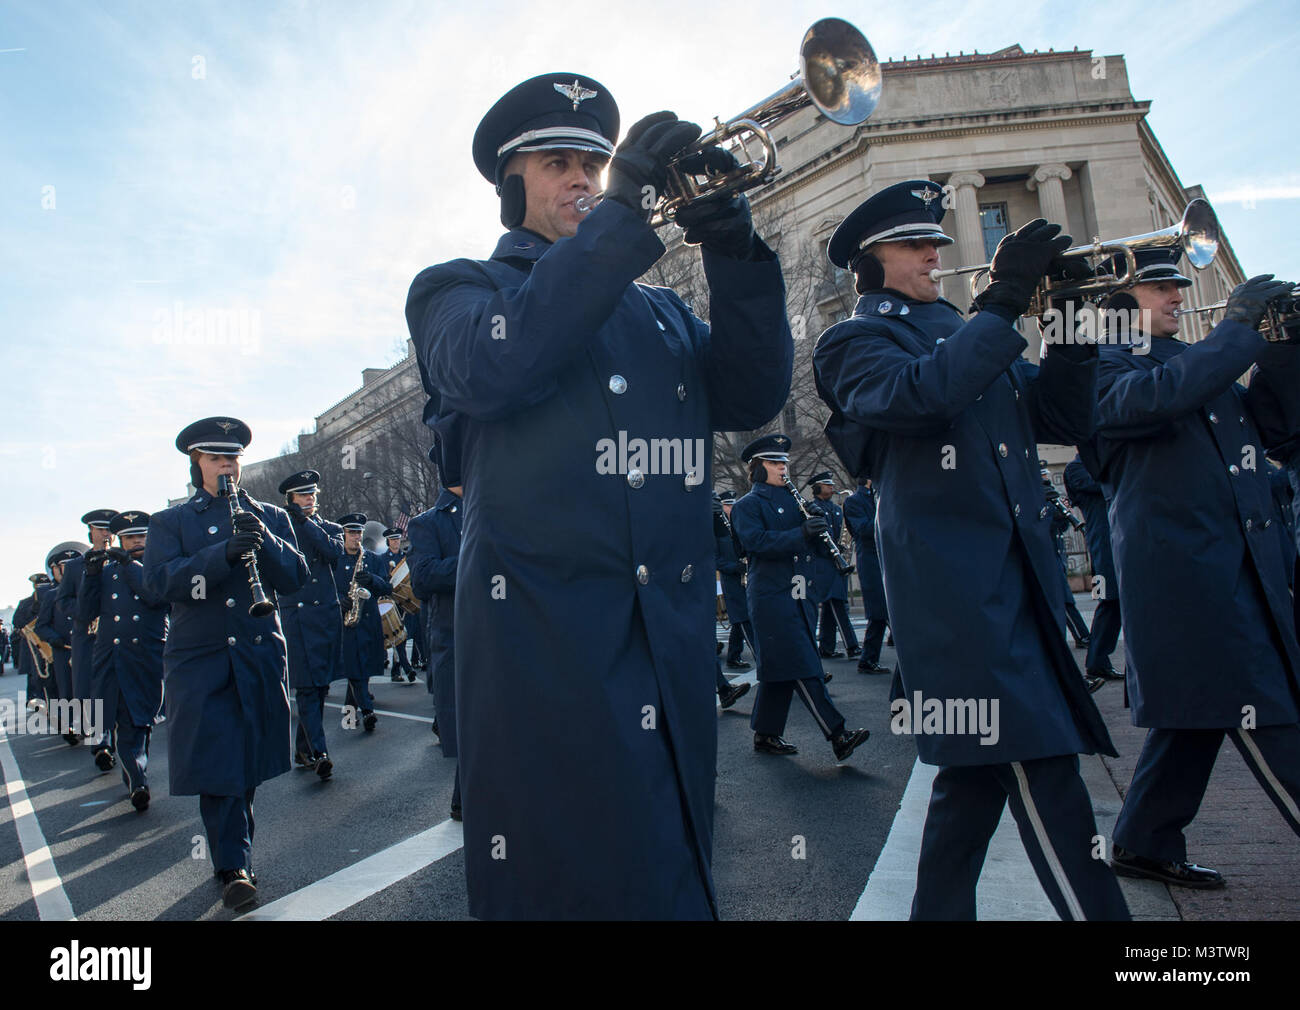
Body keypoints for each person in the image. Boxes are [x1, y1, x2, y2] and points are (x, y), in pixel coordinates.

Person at [404, 72, 792, 919]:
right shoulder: (459, 289)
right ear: (514, 185)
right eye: (558, 163)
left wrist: (733, 247)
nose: (583, 176)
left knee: (673, 867)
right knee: (566, 880)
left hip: (669, 637)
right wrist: (621, 217)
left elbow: (751, 394)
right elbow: (502, 363)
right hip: (546, 647)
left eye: (594, 161)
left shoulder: (655, 310)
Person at [813, 180, 1129, 920]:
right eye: (914, 244)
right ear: (869, 265)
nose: (933, 253)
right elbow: (923, 398)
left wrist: (1076, 317)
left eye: (936, 243)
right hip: (960, 609)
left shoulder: (965, 329)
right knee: (1047, 780)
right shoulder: (855, 340)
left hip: (1015, 594)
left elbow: (1061, 415)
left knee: (972, 788)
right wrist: (1005, 297)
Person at [1087, 249, 1300, 887]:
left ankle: (1143, 841)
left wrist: (1284, 346)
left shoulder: (1190, 362)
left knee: (1195, 713)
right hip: (1187, 577)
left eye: (1179, 286)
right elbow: (1154, 401)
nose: (1179, 296)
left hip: (1234, 567)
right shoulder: (1101, 364)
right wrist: (1236, 330)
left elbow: (1273, 430)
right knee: (1267, 708)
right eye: (1161, 287)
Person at [142, 416, 309, 910]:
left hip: (256, 654)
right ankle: (235, 863)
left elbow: (295, 577)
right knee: (219, 762)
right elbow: (158, 584)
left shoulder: (267, 515)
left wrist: (265, 538)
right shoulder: (170, 522)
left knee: (245, 762)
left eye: (233, 458)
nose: (227, 466)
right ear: (196, 464)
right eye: (216, 458)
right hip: (202, 660)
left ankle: (232, 854)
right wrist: (220, 555)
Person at [730, 435, 870, 762]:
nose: (783, 468)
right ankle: (838, 734)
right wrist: (801, 533)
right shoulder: (748, 506)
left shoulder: (795, 502)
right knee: (803, 662)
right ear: (757, 468)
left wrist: (823, 541)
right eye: (775, 463)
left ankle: (766, 733)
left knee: (780, 668)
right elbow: (756, 543)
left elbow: (806, 545)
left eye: (784, 463)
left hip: (798, 592)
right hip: (772, 595)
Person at [80, 511, 167, 810]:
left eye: (142, 536)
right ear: (119, 539)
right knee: (124, 720)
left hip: (145, 656)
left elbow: (156, 598)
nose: (137, 542)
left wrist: (129, 565)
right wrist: (90, 576)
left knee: (142, 721)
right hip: (112, 656)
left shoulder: (158, 566)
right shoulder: (106, 572)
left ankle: (136, 773)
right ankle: (138, 780)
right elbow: (84, 613)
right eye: (130, 538)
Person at [407, 426, 465, 819]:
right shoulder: (428, 522)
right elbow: (423, 577)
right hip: (457, 635)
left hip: (503, 636)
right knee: (466, 725)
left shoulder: (496, 510)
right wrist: (478, 562)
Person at [277, 469, 344, 781]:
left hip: (326, 616)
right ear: (290, 500)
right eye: (303, 496)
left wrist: (304, 522)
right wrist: (292, 523)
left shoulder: (326, 527)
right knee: (306, 686)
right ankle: (320, 752)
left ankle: (302, 748)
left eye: (313, 495)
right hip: (298, 615)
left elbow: (333, 552)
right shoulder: (282, 527)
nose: (310, 500)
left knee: (321, 686)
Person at [56, 509, 117, 765]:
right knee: (92, 692)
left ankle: (115, 742)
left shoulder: (121, 561)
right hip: (88, 636)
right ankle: (102, 743)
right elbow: (63, 601)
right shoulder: (73, 567)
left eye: (109, 530)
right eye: (101, 529)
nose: (106, 534)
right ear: (90, 532)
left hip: (117, 634)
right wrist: (83, 614)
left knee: (117, 688)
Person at [1062, 452, 1123, 682]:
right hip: (1102, 550)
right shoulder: (1075, 470)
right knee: (1109, 601)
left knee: (1118, 604)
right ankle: (1096, 662)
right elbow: (1105, 484)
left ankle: (1099, 662)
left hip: (1118, 544)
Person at [333, 513, 392, 733]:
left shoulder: (372, 559)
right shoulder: (335, 559)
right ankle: (366, 710)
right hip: (347, 623)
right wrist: (340, 599)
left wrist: (373, 580)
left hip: (368, 621)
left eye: (359, 532)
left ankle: (349, 710)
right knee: (353, 666)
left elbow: (387, 588)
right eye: (351, 533)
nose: (356, 537)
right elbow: (326, 588)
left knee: (363, 667)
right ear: (343, 535)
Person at [806, 472, 860, 660]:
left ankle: (826, 647)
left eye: (831, 484)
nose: (831, 487)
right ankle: (852, 645)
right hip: (823, 563)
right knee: (838, 604)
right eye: (826, 485)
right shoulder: (813, 508)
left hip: (838, 563)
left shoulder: (836, 509)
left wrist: (844, 547)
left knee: (830, 606)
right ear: (817, 487)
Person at [842, 479, 890, 674]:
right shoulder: (854, 501)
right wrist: (886, 515)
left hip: (887, 558)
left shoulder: (881, 496)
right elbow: (862, 530)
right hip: (870, 561)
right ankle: (868, 659)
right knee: (878, 613)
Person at [36, 548, 81, 743]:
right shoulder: (51, 595)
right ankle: (71, 726)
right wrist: (53, 637)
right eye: (61, 567)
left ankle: (98, 733)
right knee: (67, 691)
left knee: (94, 690)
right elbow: (41, 626)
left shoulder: (89, 590)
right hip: (64, 651)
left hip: (89, 649)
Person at [714, 489, 754, 671]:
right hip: (731, 580)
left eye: (732, 504)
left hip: (747, 576)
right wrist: (733, 567)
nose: (731, 508)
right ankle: (760, 655)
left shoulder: (739, 523)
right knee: (743, 618)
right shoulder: (717, 527)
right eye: (728, 504)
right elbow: (714, 559)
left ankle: (733, 656)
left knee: (741, 620)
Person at [381, 527, 418, 684]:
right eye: (393, 540)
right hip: (392, 601)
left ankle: (401, 667)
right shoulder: (382, 559)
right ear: (388, 541)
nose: (396, 542)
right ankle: (405, 668)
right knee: (398, 635)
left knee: (407, 634)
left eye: (397, 539)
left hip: (407, 601)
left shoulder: (405, 557)